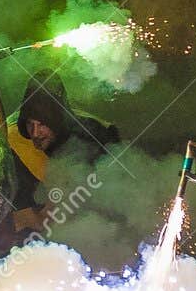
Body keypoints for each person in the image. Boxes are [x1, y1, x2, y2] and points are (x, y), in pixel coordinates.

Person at [7, 72, 120, 234]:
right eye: (30, 124)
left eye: (42, 124)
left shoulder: (95, 136)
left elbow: (110, 194)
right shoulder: (11, 143)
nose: (35, 133)